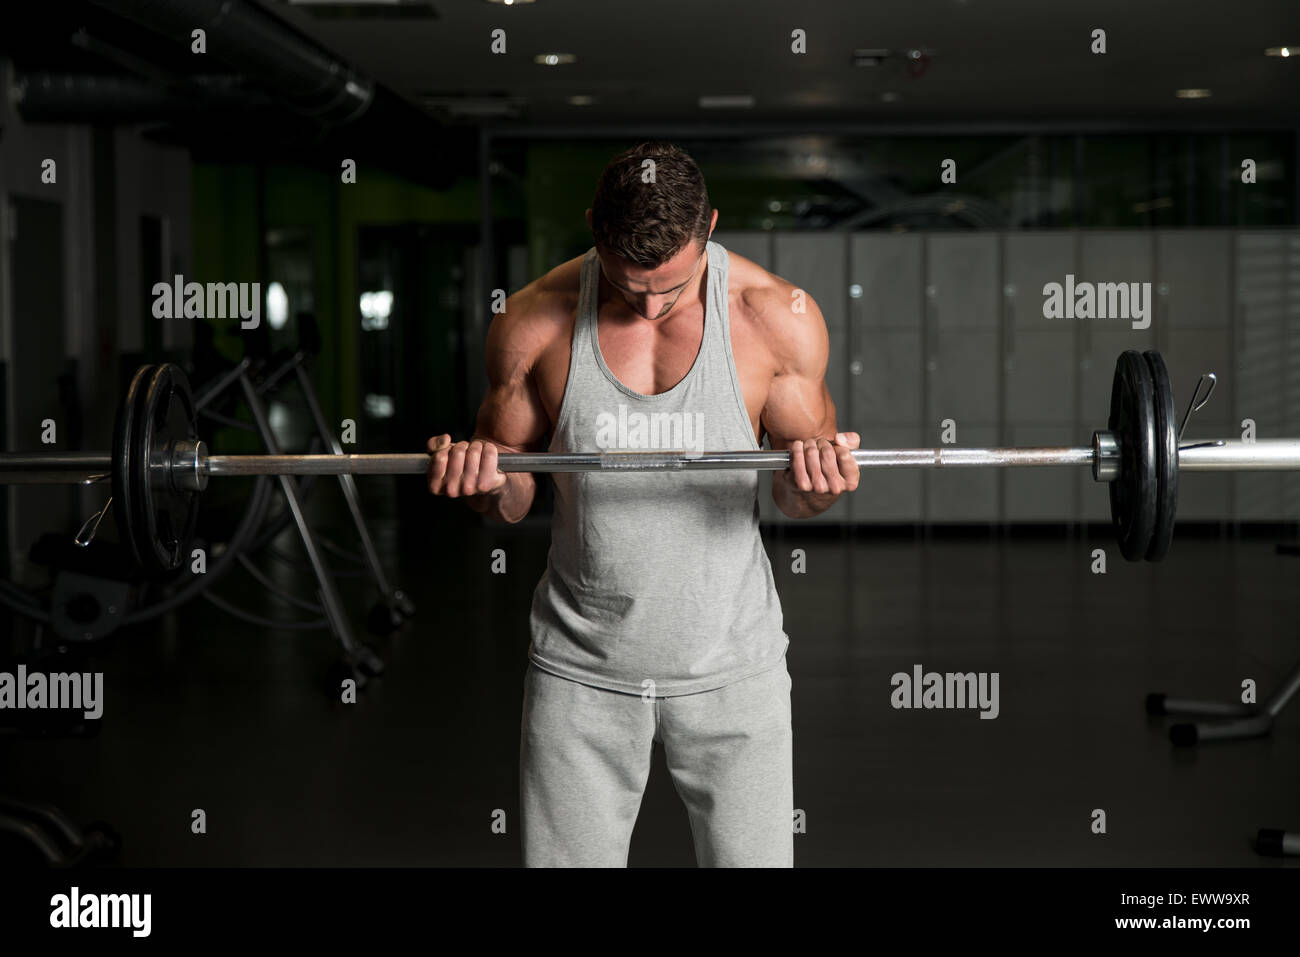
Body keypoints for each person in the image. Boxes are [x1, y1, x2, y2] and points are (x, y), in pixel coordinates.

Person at [427, 142, 859, 867]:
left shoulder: (774, 320)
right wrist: (486, 480)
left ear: (710, 228)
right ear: (594, 225)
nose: (650, 306)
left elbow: (793, 492)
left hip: (733, 668)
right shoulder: (534, 324)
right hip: (580, 668)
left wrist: (810, 486)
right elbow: (513, 494)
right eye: (629, 287)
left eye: (672, 286)